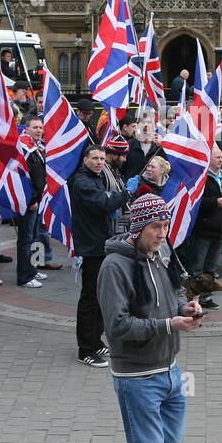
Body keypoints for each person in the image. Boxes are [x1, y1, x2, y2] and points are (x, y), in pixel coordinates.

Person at [93, 193, 202, 443]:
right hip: (136, 377)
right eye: (156, 227)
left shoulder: (161, 256)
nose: (162, 233)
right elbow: (117, 325)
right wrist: (168, 323)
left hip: (169, 370)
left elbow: (168, 301)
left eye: (165, 225)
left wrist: (183, 308)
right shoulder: (114, 267)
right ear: (138, 227)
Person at [70, 144, 133, 366]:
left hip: (99, 243)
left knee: (99, 297)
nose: (99, 162)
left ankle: (95, 341)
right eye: (95, 158)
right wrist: (126, 193)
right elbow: (104, 203)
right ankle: (85, 349)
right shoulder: (82, 181)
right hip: (90, 247)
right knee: (89, 299)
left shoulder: (93, 178)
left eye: (102, 159)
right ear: (85, 159)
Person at [181, 147, 222, 305]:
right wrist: (214, 202)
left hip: (219, 228)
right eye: (217, 157)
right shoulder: (201, 178)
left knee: (211, 267)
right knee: (197, 267)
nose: (221, 160)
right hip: (203, 229)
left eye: (221, 157)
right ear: (208, 159)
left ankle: (206, 296)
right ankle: (191, 298)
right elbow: (194, 202)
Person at [16, 116, 49, 289]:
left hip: (38, 200)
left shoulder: (38, 147)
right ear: (26, 129)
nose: (39, 130)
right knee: (26, 239)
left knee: (35, 236)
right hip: (30, 202)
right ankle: (24, 276)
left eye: (40, 128)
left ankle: (33, 268)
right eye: (35, 127)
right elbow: (23, 178)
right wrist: (31, 200)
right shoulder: (24, 148)